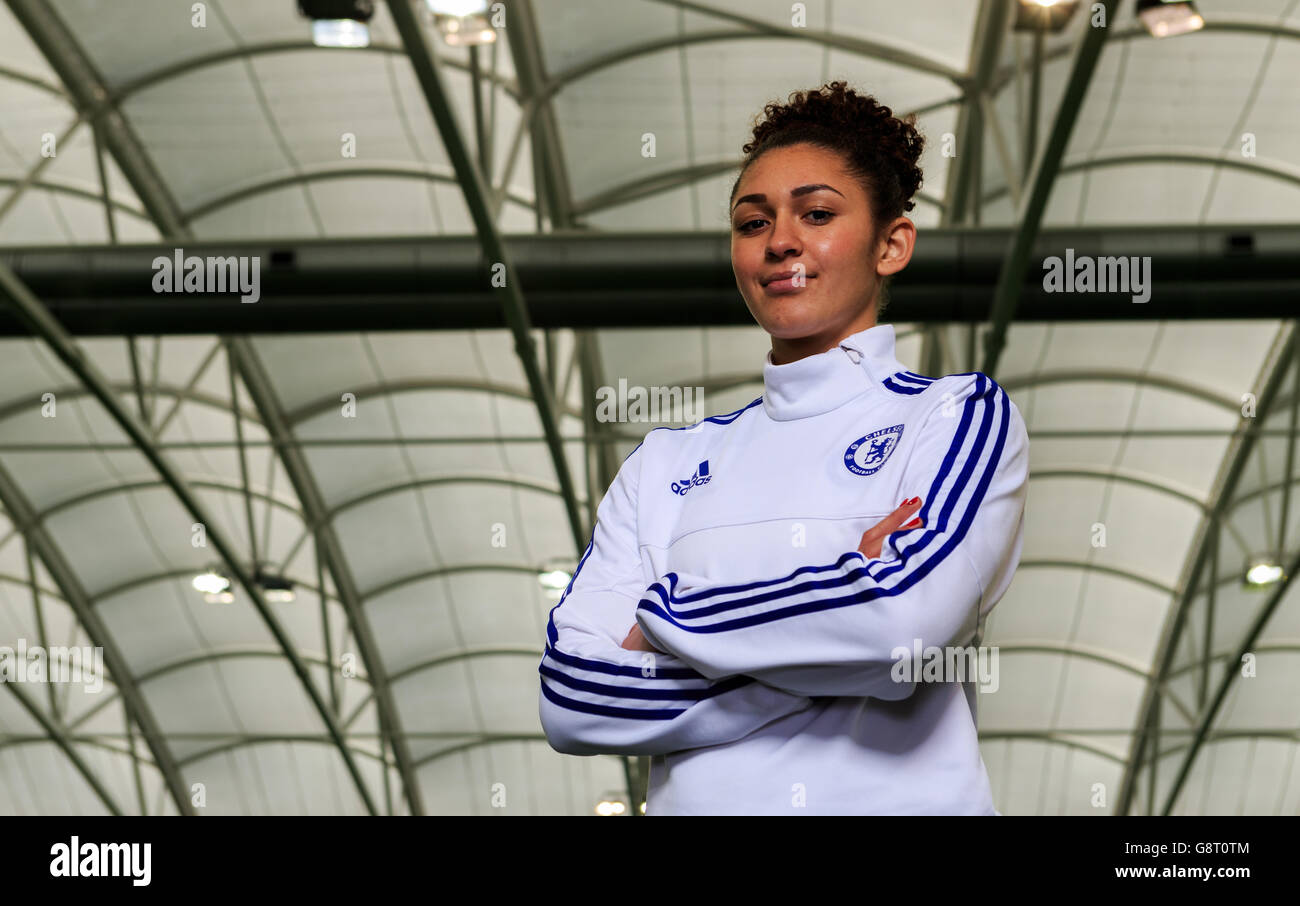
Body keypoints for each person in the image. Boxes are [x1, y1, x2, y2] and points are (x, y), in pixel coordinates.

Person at [538, 81, 1029, 815]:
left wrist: (667, 619)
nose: (780, 242)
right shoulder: (664, 466)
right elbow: (575, 699)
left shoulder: (955, 417)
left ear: (891, 244)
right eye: (751, 221)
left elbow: (902, 624)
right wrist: (838, 635)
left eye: (818, 213)